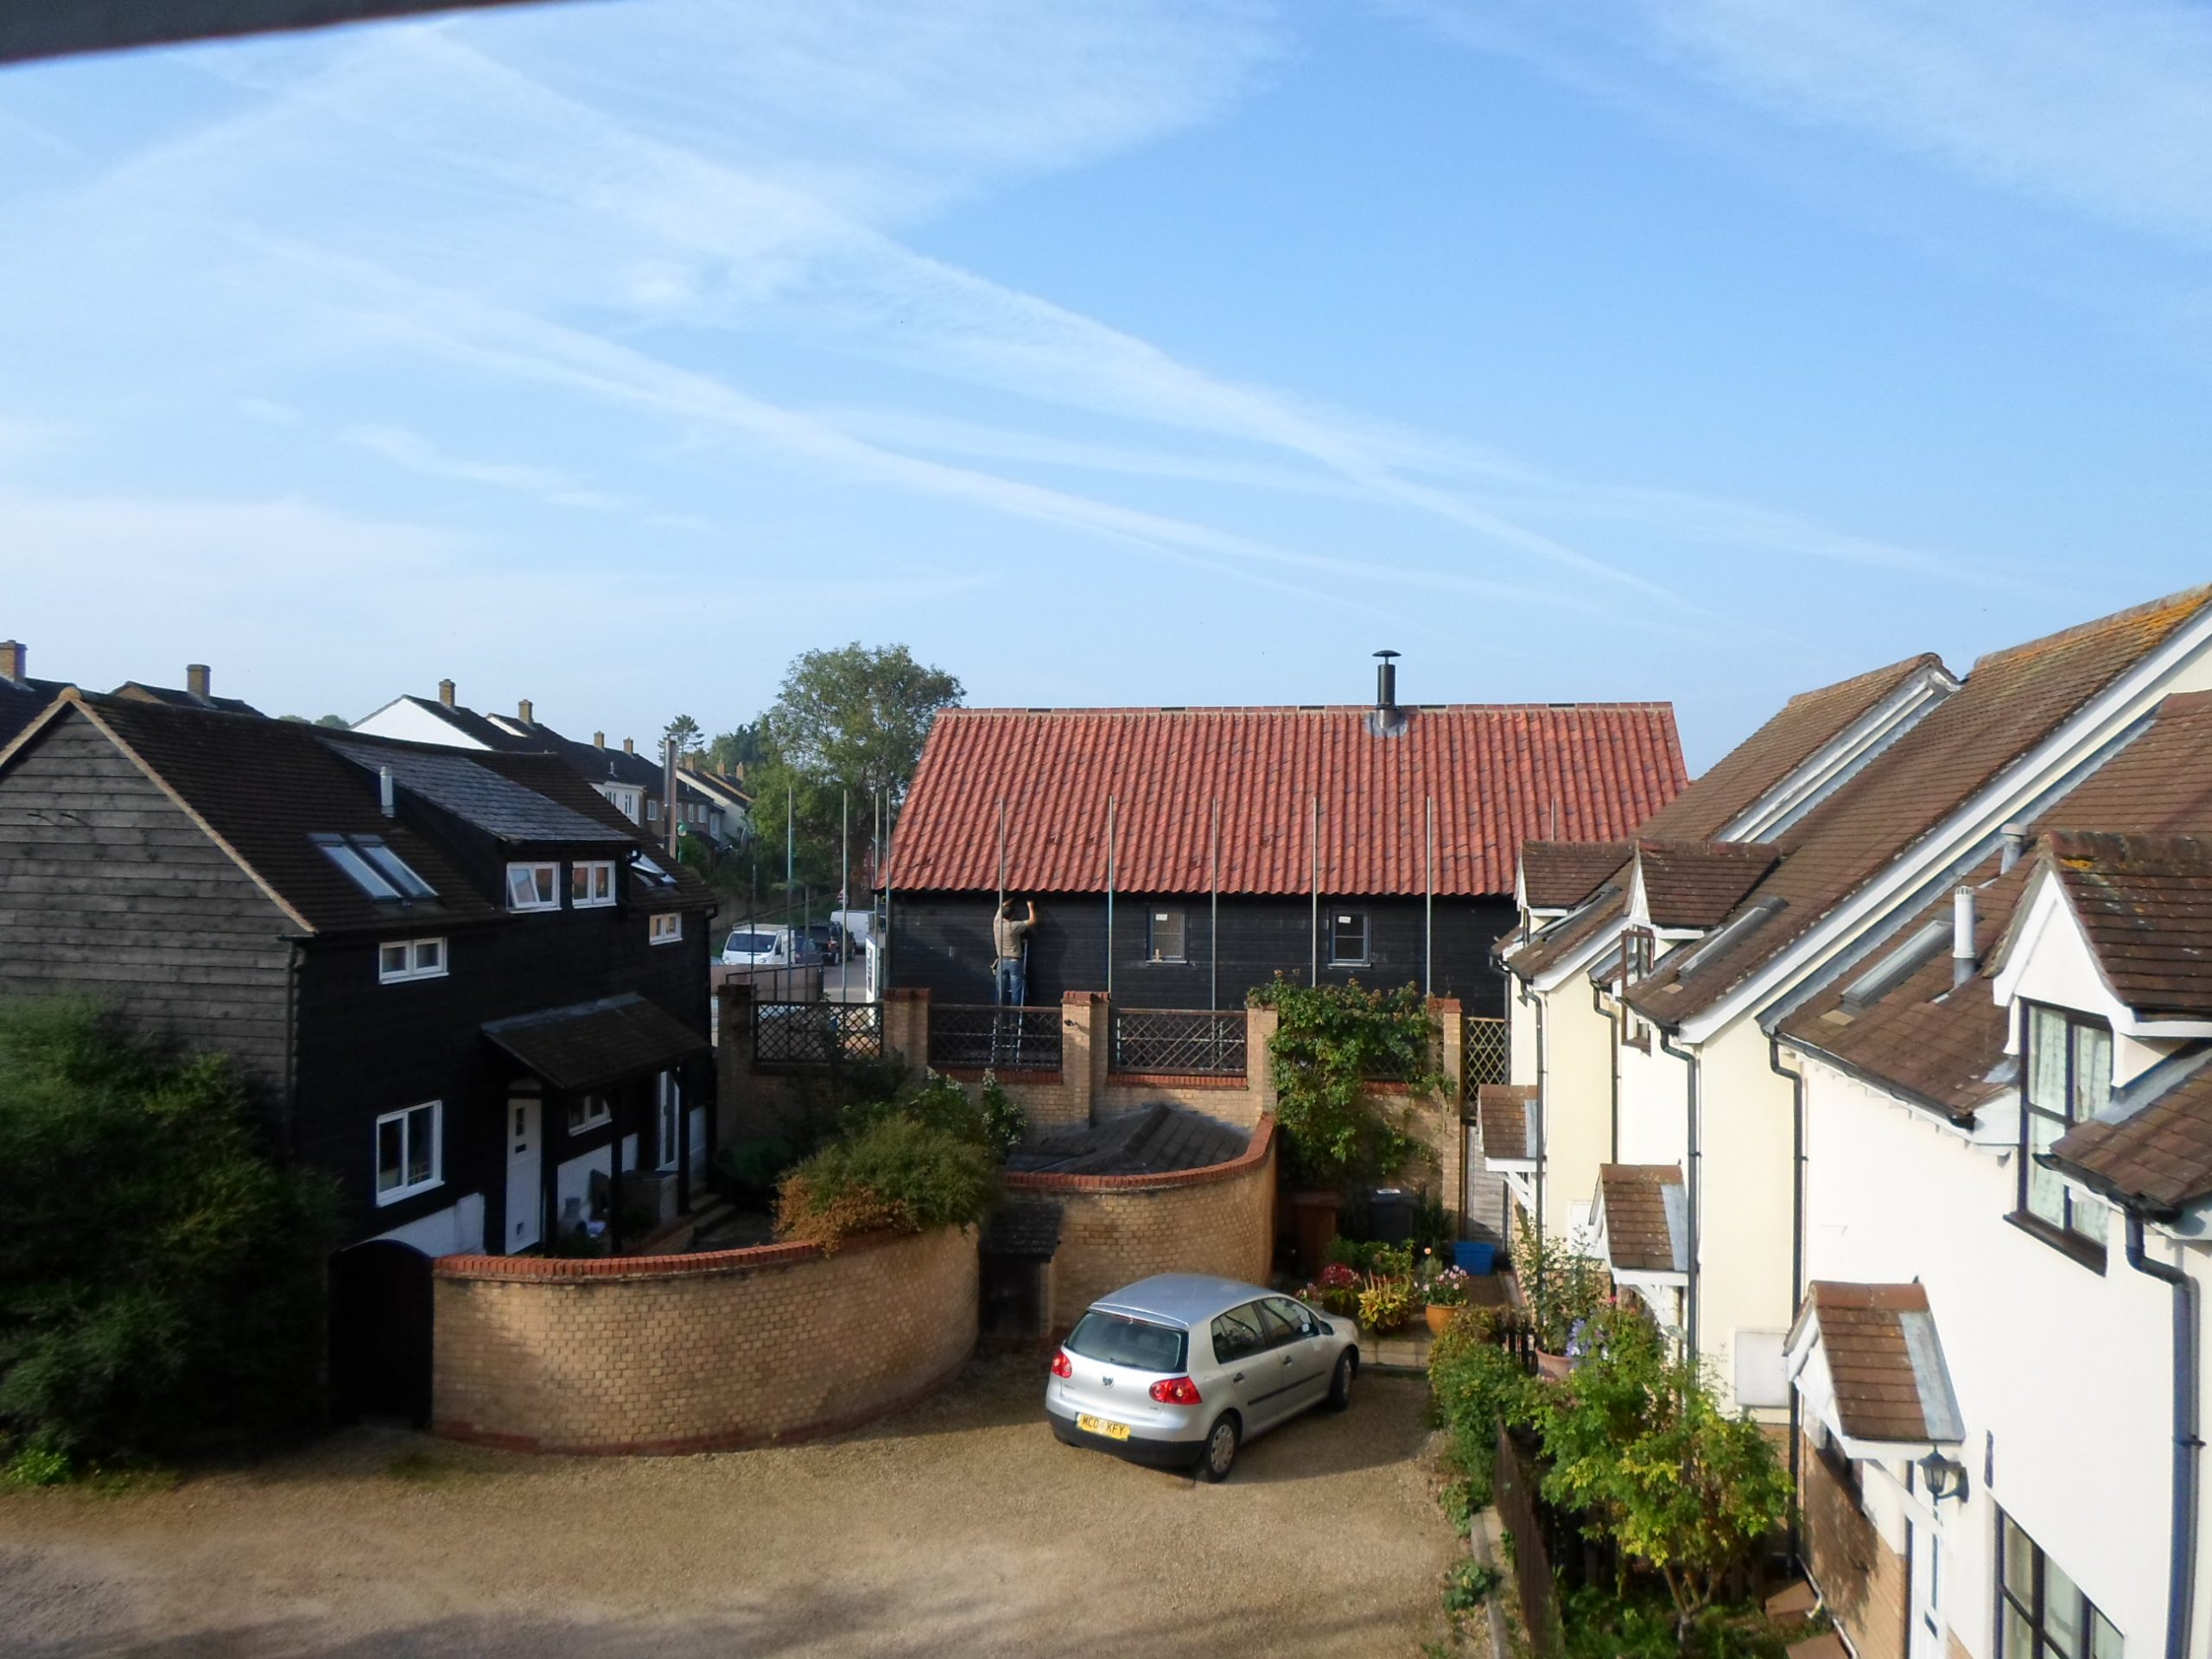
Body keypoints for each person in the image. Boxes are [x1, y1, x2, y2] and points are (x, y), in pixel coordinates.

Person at [992, 898, 1037, 1006]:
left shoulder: (996, 922)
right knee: (1016, 992)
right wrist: (1030, 906)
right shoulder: (1013, 926)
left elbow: (1001, 906)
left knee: (999, 991)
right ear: (1012, 916)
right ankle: (1014, 1022)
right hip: (1014, 962)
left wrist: (1010, 899)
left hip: (1001, 962)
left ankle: (998, 1019)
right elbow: (1032, 921)